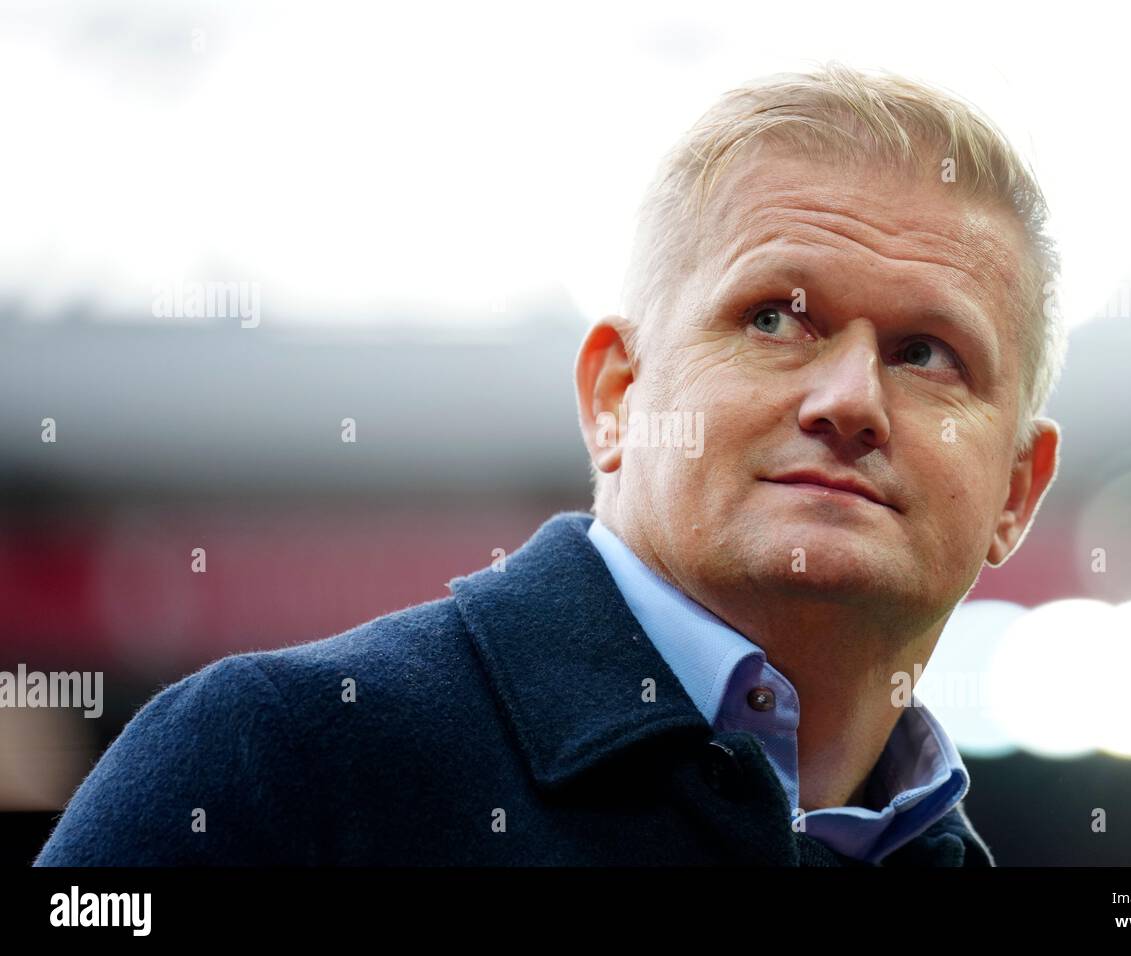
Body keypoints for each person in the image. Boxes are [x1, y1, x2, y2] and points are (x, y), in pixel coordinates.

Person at [35, 62, 1062, 867]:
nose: (847, 400)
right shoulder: (269, 762)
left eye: (926, 353)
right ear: (616, 398)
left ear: (1015, 491)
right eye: (774, 318)